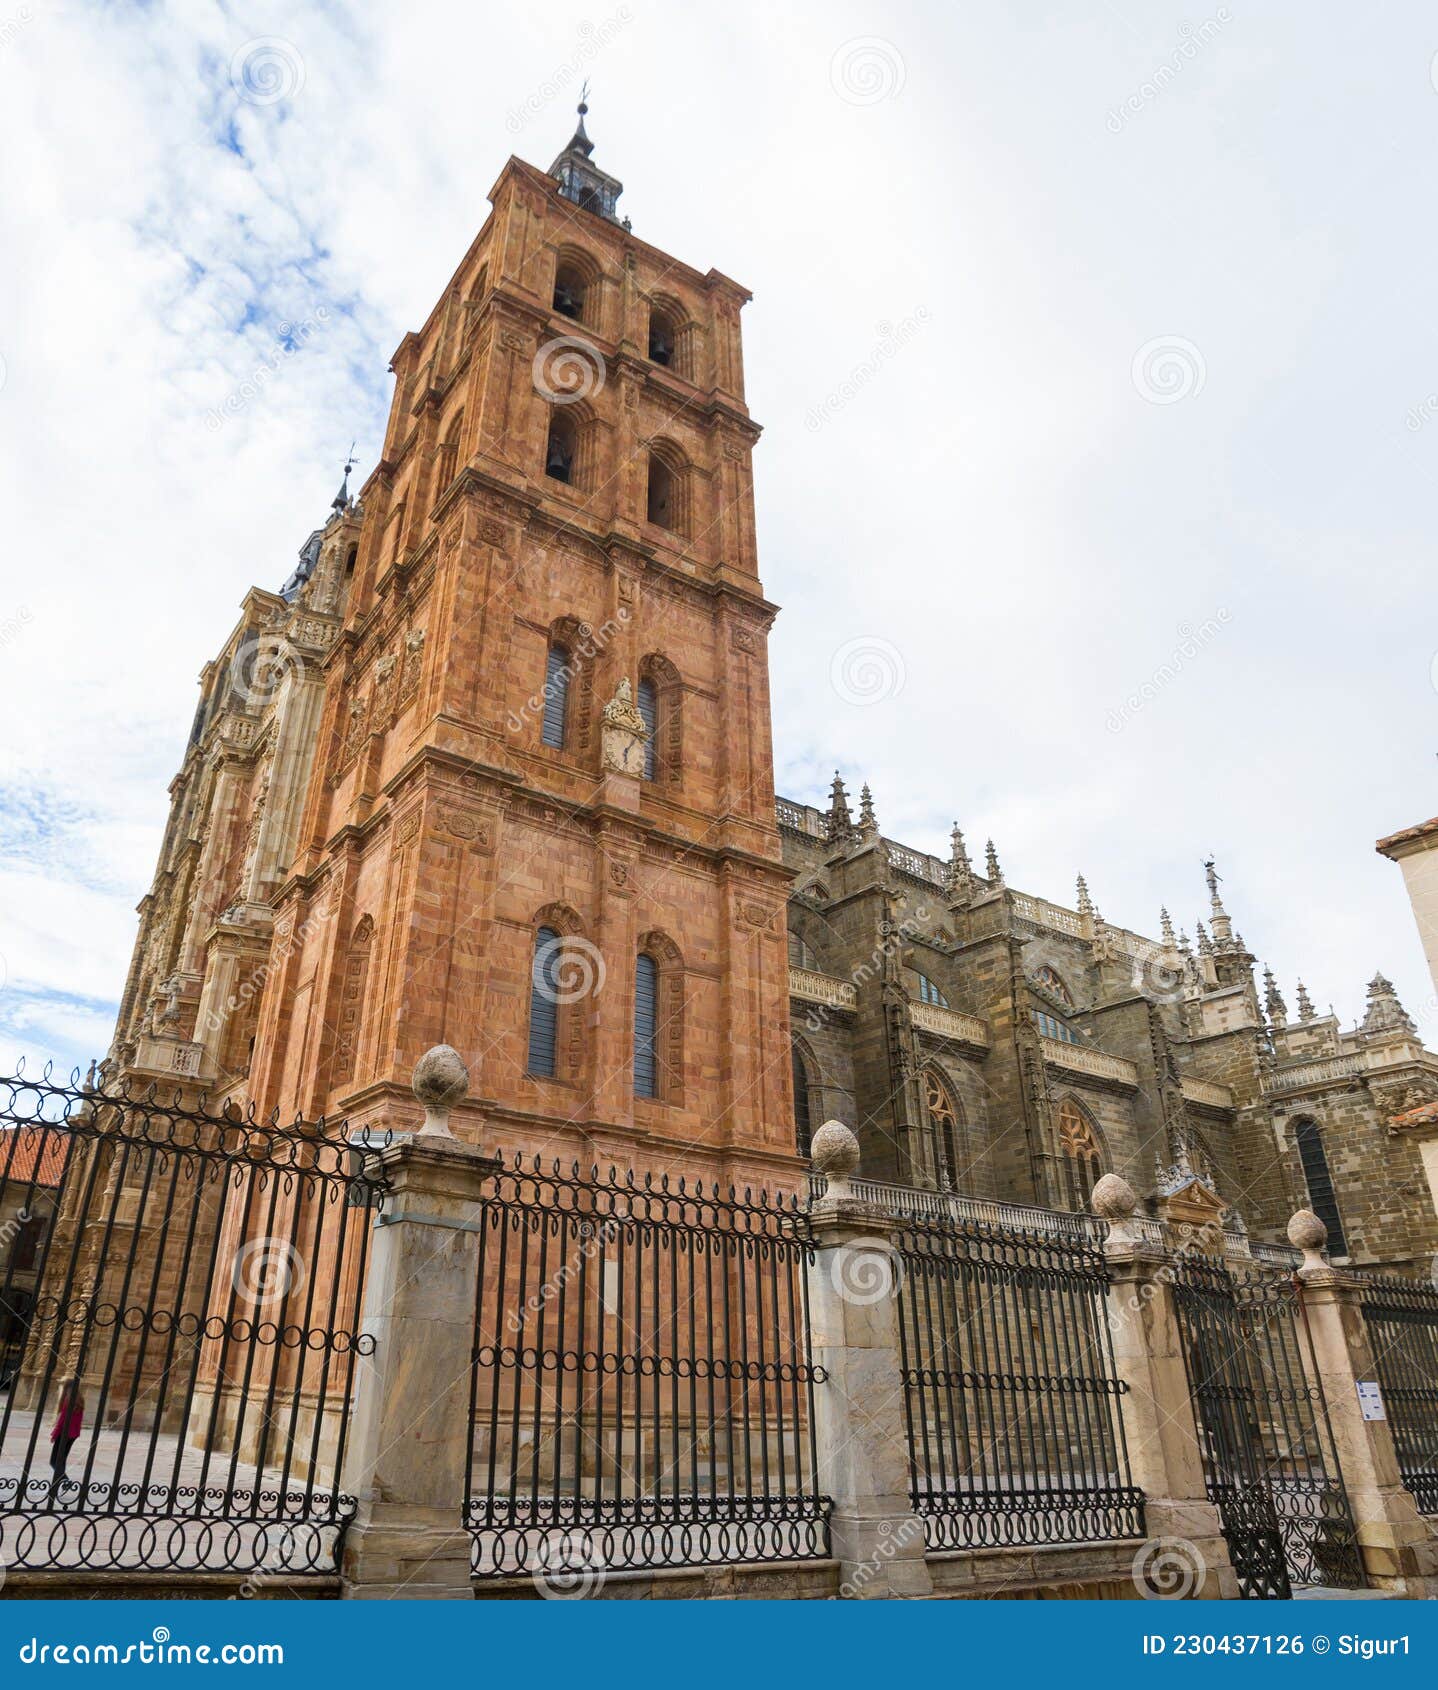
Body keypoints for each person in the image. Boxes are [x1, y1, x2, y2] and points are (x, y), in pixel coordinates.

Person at [49, 1377, 84, 1490]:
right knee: (62, 1459)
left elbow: (62, 1420)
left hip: (64, 1434)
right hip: (73, 1435)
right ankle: (62, 1483)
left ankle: (65, 1480)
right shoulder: (81, 1400)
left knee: (53, 1461)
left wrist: (54, 1435)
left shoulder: (67, 1400)